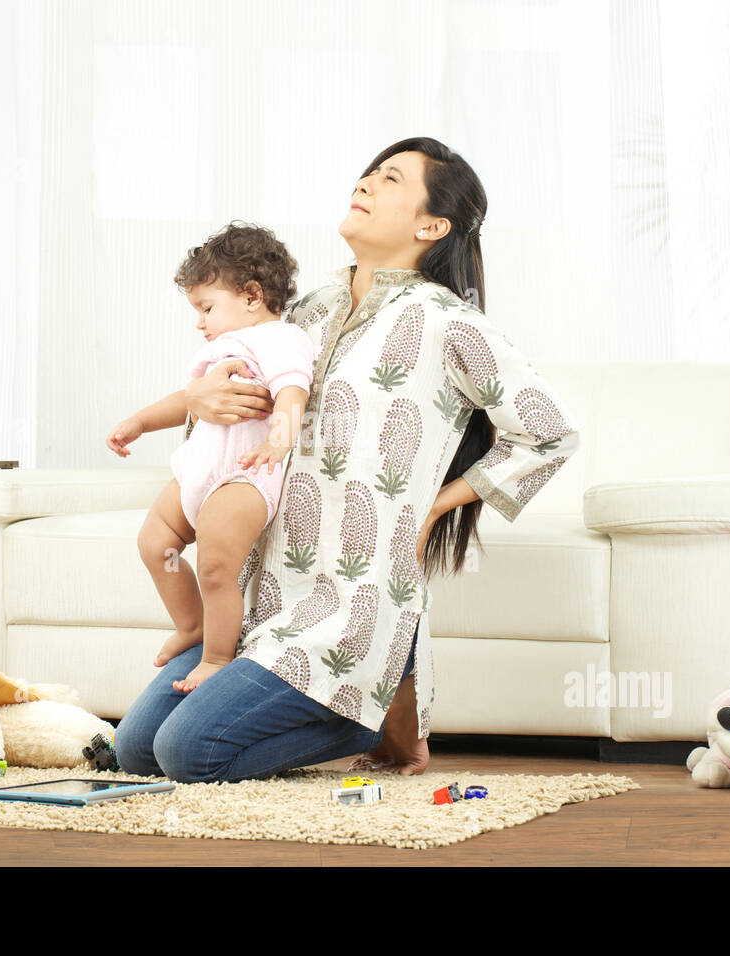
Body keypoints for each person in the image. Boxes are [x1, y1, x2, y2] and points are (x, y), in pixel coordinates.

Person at [111, 136, 581, 784]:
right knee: (137, 748)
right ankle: (367, 697)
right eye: (368, 173)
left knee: (190, 753)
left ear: (431, 224)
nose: (366, 183)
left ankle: (366, 704)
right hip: (264, 596)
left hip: (351, 606)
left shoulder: (448, 322)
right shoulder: (306, 310)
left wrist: (433, 507)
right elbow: (242, 411)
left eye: (390, 179)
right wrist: (200, 397)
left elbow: (549, 433)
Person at [107, 222, 315, 694]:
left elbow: (291, 395)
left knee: (216, 567)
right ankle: (191, 623)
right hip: (198, 470)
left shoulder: (281, 339)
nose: (199, 321)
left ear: (252, 295)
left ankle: (218, 658)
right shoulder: (223, 347)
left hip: (242, 476)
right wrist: (139, 422)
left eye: (206, 307)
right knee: (154, 543)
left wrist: (278, 443)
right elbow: (190, 398)